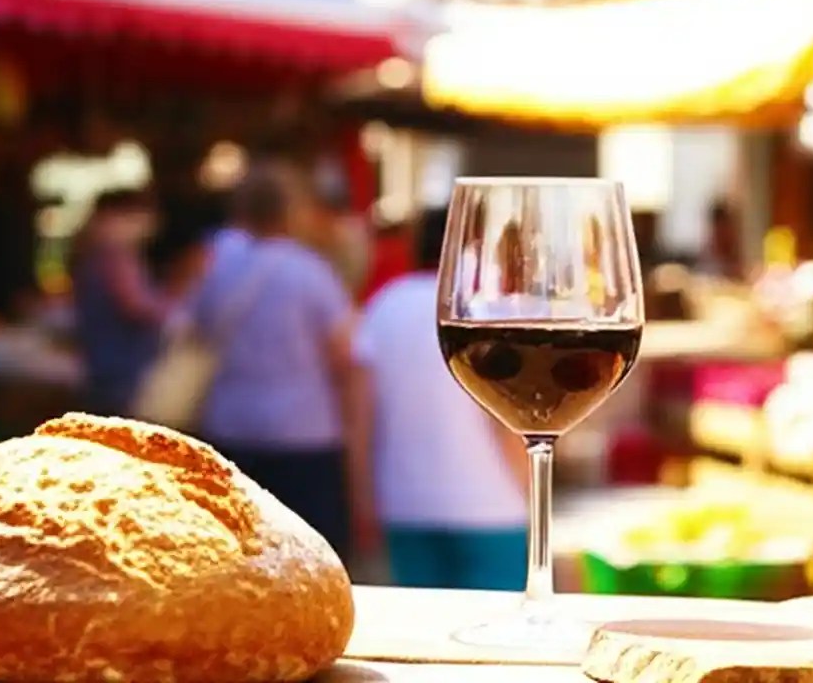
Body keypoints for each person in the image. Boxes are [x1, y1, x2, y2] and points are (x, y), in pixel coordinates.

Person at [191, 161, 362, 560]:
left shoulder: (219, 268)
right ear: (292, 210)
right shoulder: (310, 271)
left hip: (231, 425)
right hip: (303, 433)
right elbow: (344, 352)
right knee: (309, 556)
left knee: (239, 554)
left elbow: (198, 329)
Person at [351, 207, 528, 591]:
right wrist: (533, 493)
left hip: (405, 501)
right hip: (491, 505)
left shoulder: (383, 306)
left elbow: (360, 418)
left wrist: (363, 496)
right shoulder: (487, 311)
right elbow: (505, 418)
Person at [71, 189, 169, 416]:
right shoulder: (114, 257)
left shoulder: (91, 253)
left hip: (102, 368)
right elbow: (137, 307)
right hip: (124, 373)